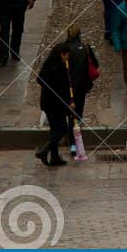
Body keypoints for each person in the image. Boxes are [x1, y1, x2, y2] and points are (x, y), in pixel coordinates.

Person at [35, 39, 74, 168]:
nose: (67, 58)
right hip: (56, 105)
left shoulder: (48, 64)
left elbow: (39, 79)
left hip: (47, 103)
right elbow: (62, 89)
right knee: (62, 129)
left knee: (54, 130)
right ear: (62, 54)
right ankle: (44, 150)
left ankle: (55, 157)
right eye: (66, 55)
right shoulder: (60, 68)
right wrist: (69, 103)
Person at [64, 23, 96, 130]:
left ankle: (70, 134)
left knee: (69, 109)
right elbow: (95, 64)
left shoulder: (63, 49)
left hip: (67, 84)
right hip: (82, 84)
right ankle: (76, 131)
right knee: (79, 108)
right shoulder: (85, 47)